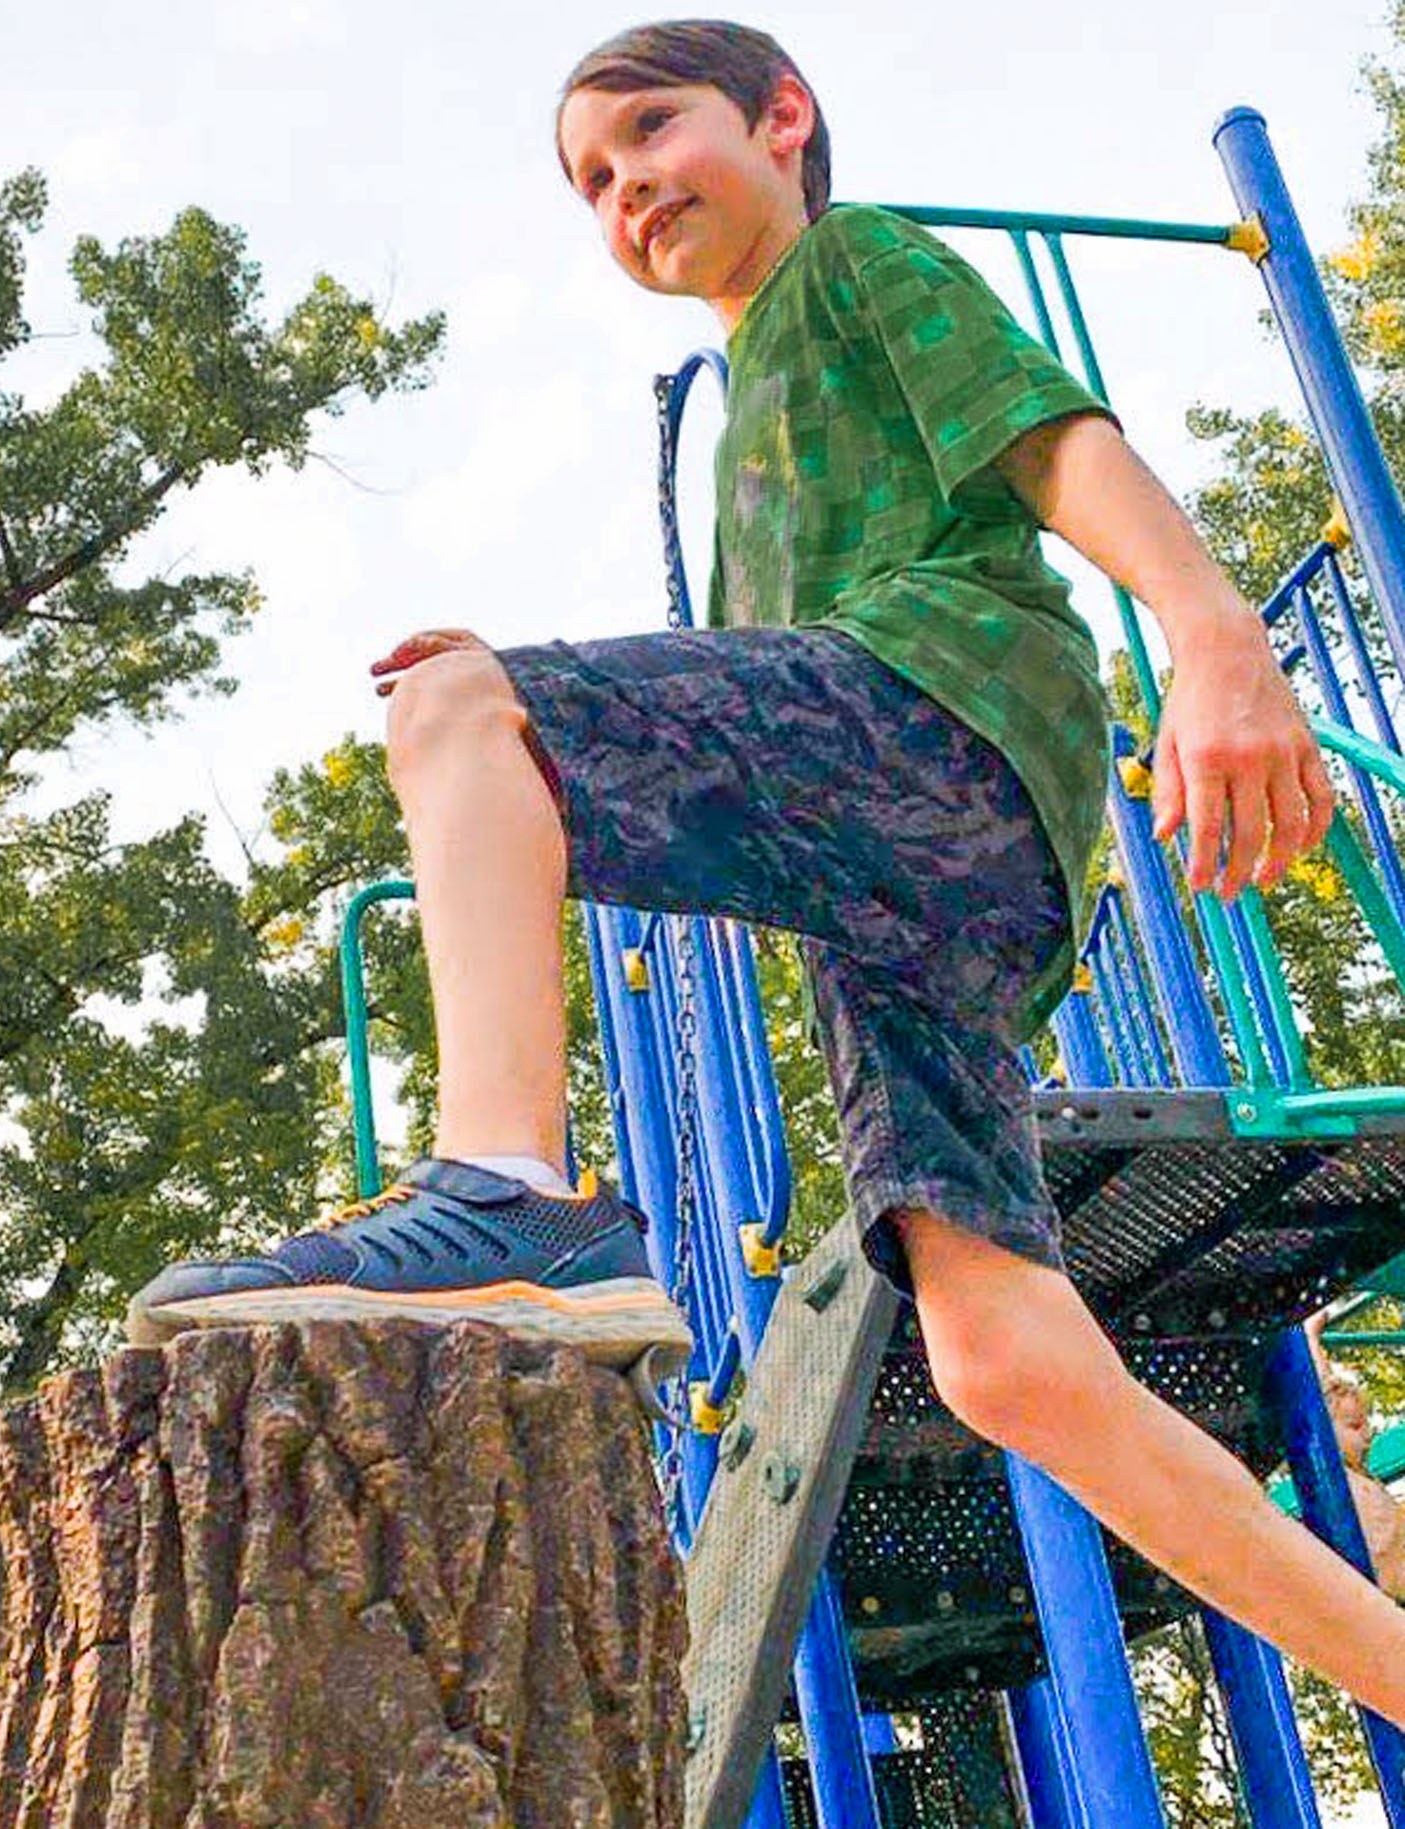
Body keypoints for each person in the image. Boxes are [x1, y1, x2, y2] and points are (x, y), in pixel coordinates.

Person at [130, 19, 1405, 1723]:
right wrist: (542, 712)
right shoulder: (742, 459)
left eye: (651, 133)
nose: (626, 189)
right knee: (1000, 1356)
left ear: (781, 118)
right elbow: (724, 711)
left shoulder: (858, 263)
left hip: (945, 714)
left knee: (454, 707)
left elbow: (1055, 441)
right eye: (591, 183)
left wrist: (1211, 635)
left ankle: (508, 1188)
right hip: (919, 868)